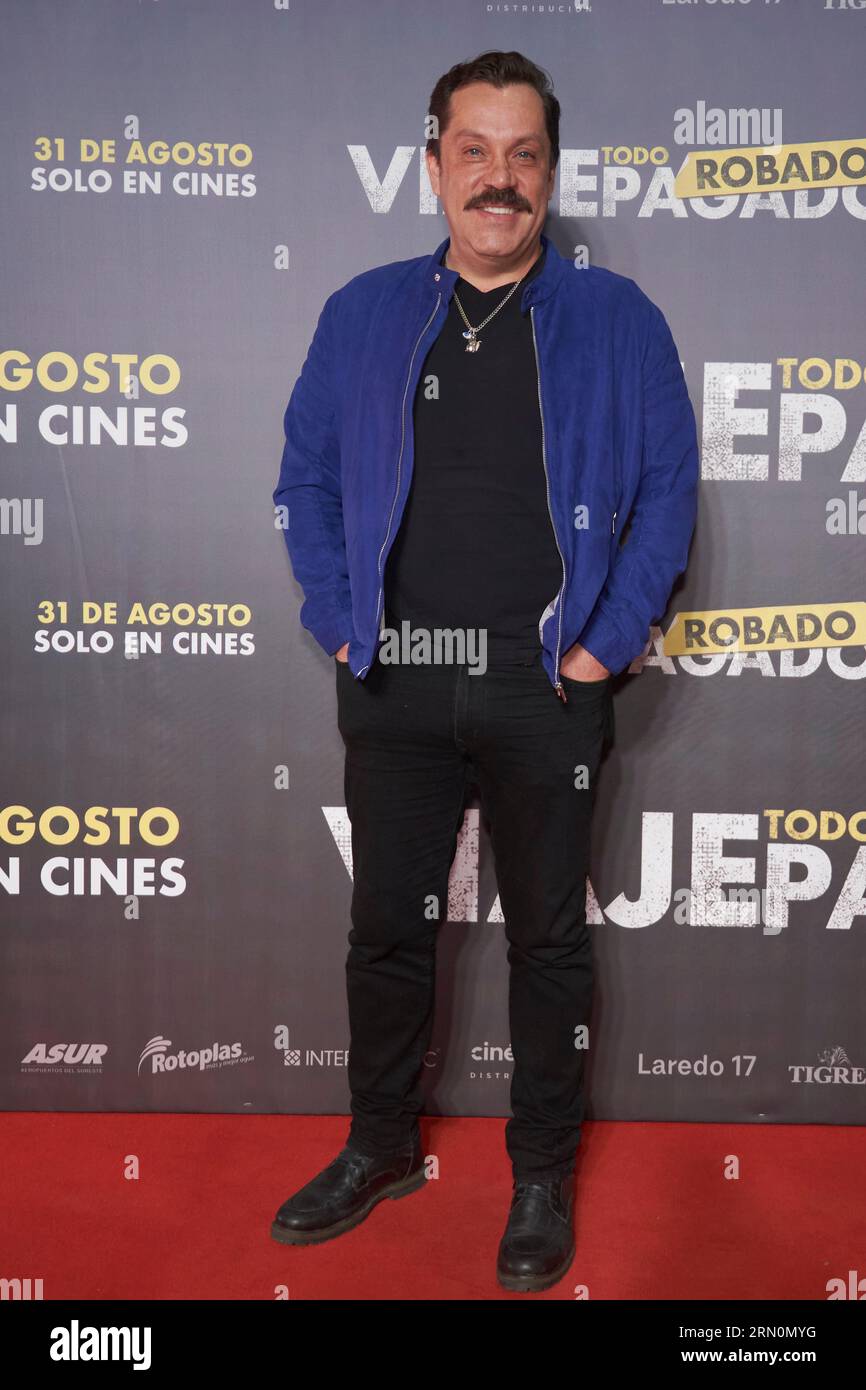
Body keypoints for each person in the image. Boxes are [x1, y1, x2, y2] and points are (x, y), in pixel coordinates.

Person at [270, 50, 699, 1294]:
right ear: (432, 164)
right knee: (383, 935)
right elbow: (303, 480)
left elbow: (667, 498)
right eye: (474, 150)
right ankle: (378, 1148)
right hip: (395, 679)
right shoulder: (361, 311)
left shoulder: (618, 322)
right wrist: (344, 620)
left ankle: (540, 1173)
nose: (498, 178)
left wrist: (597, 647)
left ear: (550, 174)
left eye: (522, 154)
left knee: (549, 946)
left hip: (542, 685)